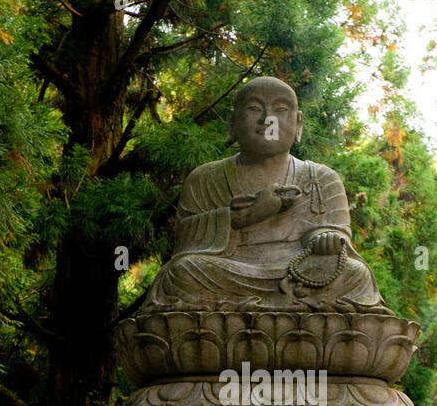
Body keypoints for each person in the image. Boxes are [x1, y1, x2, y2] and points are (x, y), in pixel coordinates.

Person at [140, 76, 392, 314]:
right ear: (232, 122)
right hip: (228, 272)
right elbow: (187, 243)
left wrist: (325, 239)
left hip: (299, 272)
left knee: (356, 274)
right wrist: (245, 216)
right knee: (181, 272)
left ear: (298, 124)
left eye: (281, 110)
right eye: (253, 108)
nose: (268, 119)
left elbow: (336, 237)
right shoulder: (205, 178)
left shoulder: (321, 178)